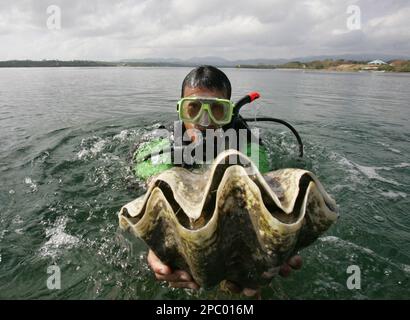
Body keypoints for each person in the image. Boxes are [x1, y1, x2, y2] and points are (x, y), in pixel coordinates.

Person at [132, 65, 302, 297]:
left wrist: (274, 241)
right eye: (193, 108)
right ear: (181, 110)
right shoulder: (163, 143)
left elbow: (258, 190)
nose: (204, 120)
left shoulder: (249, 147)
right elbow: (155, 184)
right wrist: (159, 241)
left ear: (230, 111)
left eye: (217, 110)